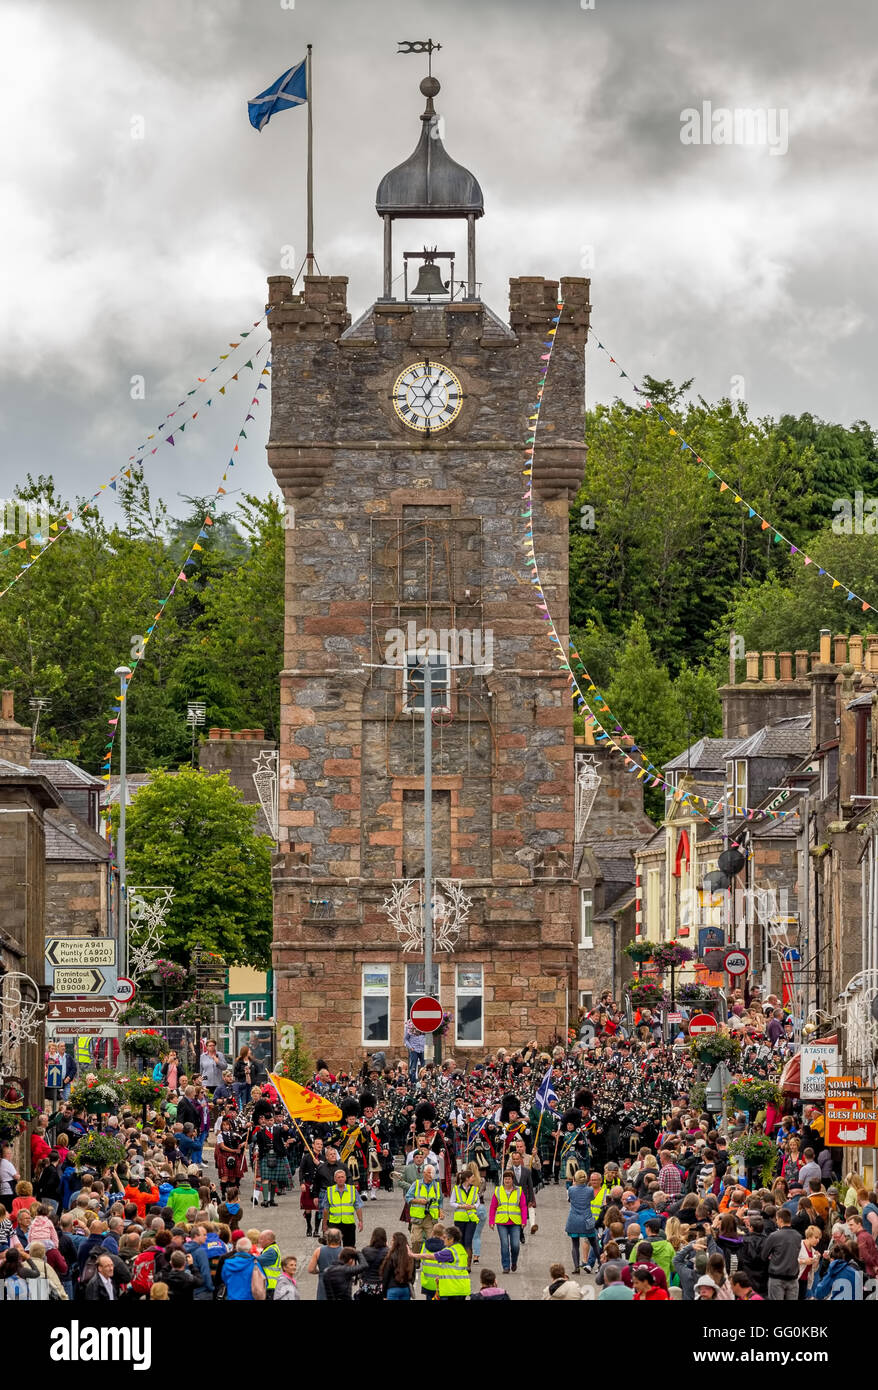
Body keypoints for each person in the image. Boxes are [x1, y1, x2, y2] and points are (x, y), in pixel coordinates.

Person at [488, 1169, 527, 1274]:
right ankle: (506, 1266)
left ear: (512, 1180)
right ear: (503, 1180)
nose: (507, 1181)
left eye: (509, 1179)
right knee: (504, 1244)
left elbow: (523, 1206)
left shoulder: (518, 1190)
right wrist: (491, 1221)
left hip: (515, 1222)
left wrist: (524, 1220)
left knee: (515, 1245)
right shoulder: (498, 1191)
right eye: (505, 1179)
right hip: (502, 1222)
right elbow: (493, 1207)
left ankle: (514, 1262)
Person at [762, 1208, 803, 1300]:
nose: (776, 1222)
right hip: (793, 1276)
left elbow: (764, 1255)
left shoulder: (774, 1236)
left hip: (777, 1276)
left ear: (780, 1219)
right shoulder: (798, 1236)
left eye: (777, 1220)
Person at [565, 1170, 600, 1274]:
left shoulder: (571, 1189)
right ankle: (601, 1263)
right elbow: (592, 1198)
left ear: (575, 1179)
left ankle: (576, 1267)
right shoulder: (590, 1190)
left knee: (575, 1244)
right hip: (586, 1219)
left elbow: (569, 1200)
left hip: (574, 1219)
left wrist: (573, 1184)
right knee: (594, 1242)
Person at [405, 1163, 443, 1252]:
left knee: (432, 1241)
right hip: (417, 1218)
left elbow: (440, 1200)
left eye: (433, 1173)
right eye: (429, 1173)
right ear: (424, 1173)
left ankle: (429, 1260)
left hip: (430, 1218)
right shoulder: (417, 1184)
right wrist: (418, 1201)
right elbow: (408, 1197)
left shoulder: (436, 1186)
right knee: (416, 1240)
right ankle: (416, 1259)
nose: (431, 1175)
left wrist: (440, 1211)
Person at [322, 1168, 364, 1247]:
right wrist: (324, 1224)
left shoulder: (352, 1190)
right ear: (335, 1179)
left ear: (345, 1178)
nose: (340, 1179)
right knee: (333, 1247)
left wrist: (360, 1221)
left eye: (342, 1177)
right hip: (334, 1223)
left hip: (349, 1223)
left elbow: (358, 1207)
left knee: (349, 1248)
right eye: (338, 1177)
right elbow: (326, 1209)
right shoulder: (329, 1190)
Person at [307, 1227, 342, 1300]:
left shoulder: (318, 1251)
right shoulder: (344, 1252)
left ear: (327, 1238)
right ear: (340, 1238)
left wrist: (319, 1271)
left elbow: (310, 1269)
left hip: (324, 1284)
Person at [381, 1232, 414, 1300]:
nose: (391, 1241)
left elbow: (386, 1276)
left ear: (396, 1242)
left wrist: (384, 1294)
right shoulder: (410, 1257)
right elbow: (413, 1274)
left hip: (392, 1289)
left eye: (393, 1240)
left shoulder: (391, 1256)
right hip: (405, 1289)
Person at [357, 1226, 388, 1299]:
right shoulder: (387, 1252)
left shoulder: (365, 1250)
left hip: (366, 1284)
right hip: (380, 1285)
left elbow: (361, 1268)